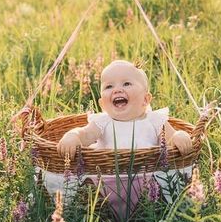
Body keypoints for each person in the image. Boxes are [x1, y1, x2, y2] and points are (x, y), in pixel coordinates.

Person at [56, 59, 193, 157]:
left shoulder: (155, 120)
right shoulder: (103, 121)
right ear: (102, 104)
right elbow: (84, 135)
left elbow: (171, 137)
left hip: (148, 176)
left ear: (145, 100)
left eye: (126, 84)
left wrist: (179, 136)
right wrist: (72, 136)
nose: (117, 90)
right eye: (109, 86)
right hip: (107, 178)